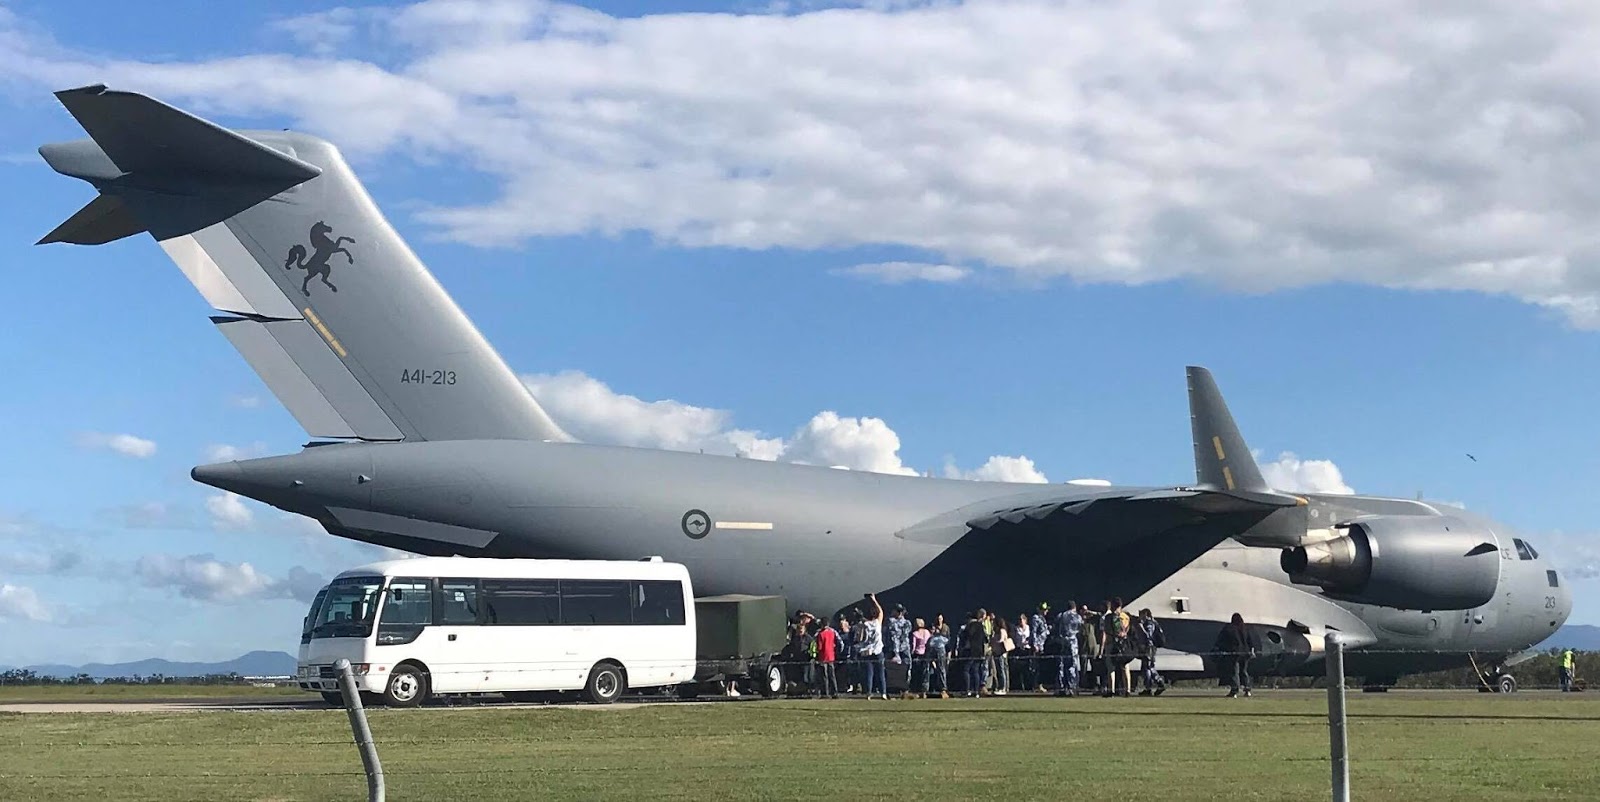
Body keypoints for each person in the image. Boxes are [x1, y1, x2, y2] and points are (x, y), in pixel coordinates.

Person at [1213, 612, 1260, 697]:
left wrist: (1221, 649)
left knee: (1235, 672)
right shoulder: (1245, 628)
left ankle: (1234, 690)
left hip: (1234, 653)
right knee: (1244, 671)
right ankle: (1247, 689)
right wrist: (1252, 650)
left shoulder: (1229, 628)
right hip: (1245, 653)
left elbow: (1222, 640)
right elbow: (1250, 641)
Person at [1100, 597, 1132, 697]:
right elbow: (1126, 630)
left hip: (1111, 643)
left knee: (1111, 668)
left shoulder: (1109, 617)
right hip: (1123, 645)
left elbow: (1109, 631)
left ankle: (1111, 690)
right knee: (1125, 667)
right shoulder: (1125, 616)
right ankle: (1128, 689)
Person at [858, 593, 888, 700]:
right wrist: (874, 600)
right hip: (878, 650)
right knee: (880, 673)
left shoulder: (865, 624)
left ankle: (869, 693)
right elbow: (881, 612)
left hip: (868, 650)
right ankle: (883, 692)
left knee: (869, 673)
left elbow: (860, 638)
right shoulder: (877, 623)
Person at [1131, 608, 1166, 696]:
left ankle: (1158, 683)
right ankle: (1149, 686)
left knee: (1148, 667)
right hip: (1149, 647)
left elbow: (1148, 636)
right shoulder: (1154, 622)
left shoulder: (1149, 623)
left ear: (1145, 615)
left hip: (1149, 647)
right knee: (1147, 667)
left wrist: (1141, 627)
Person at [1053, 600, 1083, 696]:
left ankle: (1061, 687)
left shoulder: (1061, 616)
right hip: (1073, 643)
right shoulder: (1077, 617)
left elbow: (1055, 628)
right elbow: (1081, 628)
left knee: (1062, 665)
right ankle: (1072, 687)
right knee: (1072, 665)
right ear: (1074, 607)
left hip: (1062, 643)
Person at [962, 610, 991, 697]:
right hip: (980, 651)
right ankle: (977, 691)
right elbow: (986, 639)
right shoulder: (981, 626)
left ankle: (968, 690)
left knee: (966, 670)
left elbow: (966, 636)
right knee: (976, 671)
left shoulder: (969, 626)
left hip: (971, 651)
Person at [1077, 603, 1101, 693]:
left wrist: (1090, 612)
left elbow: (1100, 615)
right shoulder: (1078, 620)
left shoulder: (1091, 620)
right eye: (1083, 610)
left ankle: (1095, 685)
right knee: (1083, 666)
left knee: (1095, 665)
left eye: (1086, 610)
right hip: (1083, 646)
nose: (1085, 612)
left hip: (1092, 645)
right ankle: (1082, 685)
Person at [815, 614, 840, 698]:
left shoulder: (821, 634)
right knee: (832, 675)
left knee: (824, 676)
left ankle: (825, 693)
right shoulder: (832, 633)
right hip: (831, 656)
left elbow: (819, 647)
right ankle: (835, 692)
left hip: (823, 657)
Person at [1029, 603, 1052, 692]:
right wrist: (1035, 645)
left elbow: (1043, 631)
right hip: (1037, 646)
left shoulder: (1043, 619)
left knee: (1040, 666)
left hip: (1042, 645)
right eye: (1044, 609)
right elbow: (1034, 632)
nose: (1046, 611)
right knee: (1035, 667)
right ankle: (1035, 685)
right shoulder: (1036, 618)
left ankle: (1039, 684)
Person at [927, 620, 951, 698]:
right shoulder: (931, 639)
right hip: (933, 658)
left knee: (942, 671)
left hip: (941, 657)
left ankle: (943, 689)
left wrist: (948, 658)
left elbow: (948, 649)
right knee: (931, 672)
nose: (936, 630)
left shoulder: (943, 639)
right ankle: (930, 689)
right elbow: (929, 649)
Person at [909, 618, 932, 698]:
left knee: (916, 673)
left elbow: (913, 646)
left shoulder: (915, 633)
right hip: (925, 655)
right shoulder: (927, 632)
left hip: (917, 654)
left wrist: (911, 654)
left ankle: (916, 690)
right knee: (925, 673)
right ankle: (924, 691)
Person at [990, 616, 1013, 694]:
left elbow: (1001, 640)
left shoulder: (1002, 631)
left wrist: (993, 640)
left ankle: (1003, 687)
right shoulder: (996, 631)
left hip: (1001, 653)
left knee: (1001, 670)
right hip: (997, 653)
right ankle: (1002, 687)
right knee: (1000, 669)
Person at [1013, 613, 1033, 691]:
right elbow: (1015, 638)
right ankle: (1020, 686)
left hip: (1027, 649)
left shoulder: (1028, 628)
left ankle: (1028, 686)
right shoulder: (1016, 628)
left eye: (1022, 619)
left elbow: (1031, 637)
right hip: (1019, 649)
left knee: (1027, 668)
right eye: (1019, 620)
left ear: (1025, 620)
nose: (1020, 621)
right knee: (1019, 669)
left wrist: (1028, 641)